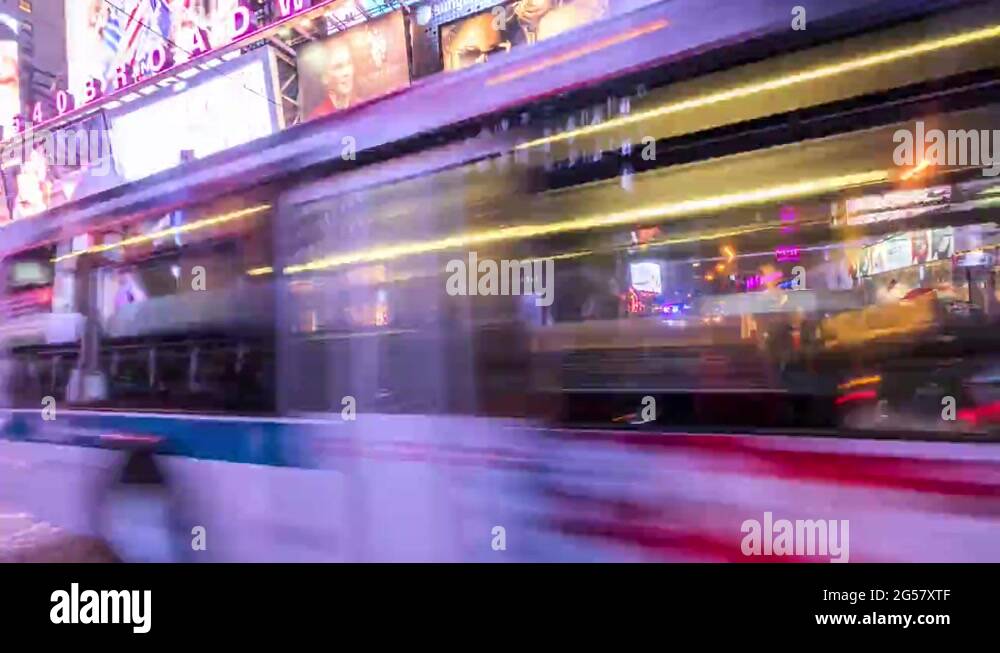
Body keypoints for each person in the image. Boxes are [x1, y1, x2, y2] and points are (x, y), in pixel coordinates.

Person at [309, 37, 358, 119]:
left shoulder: (362, 107)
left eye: (349, 63)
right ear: (324, 78)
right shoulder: (317, 118)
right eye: (338, 67)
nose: (347, 73)